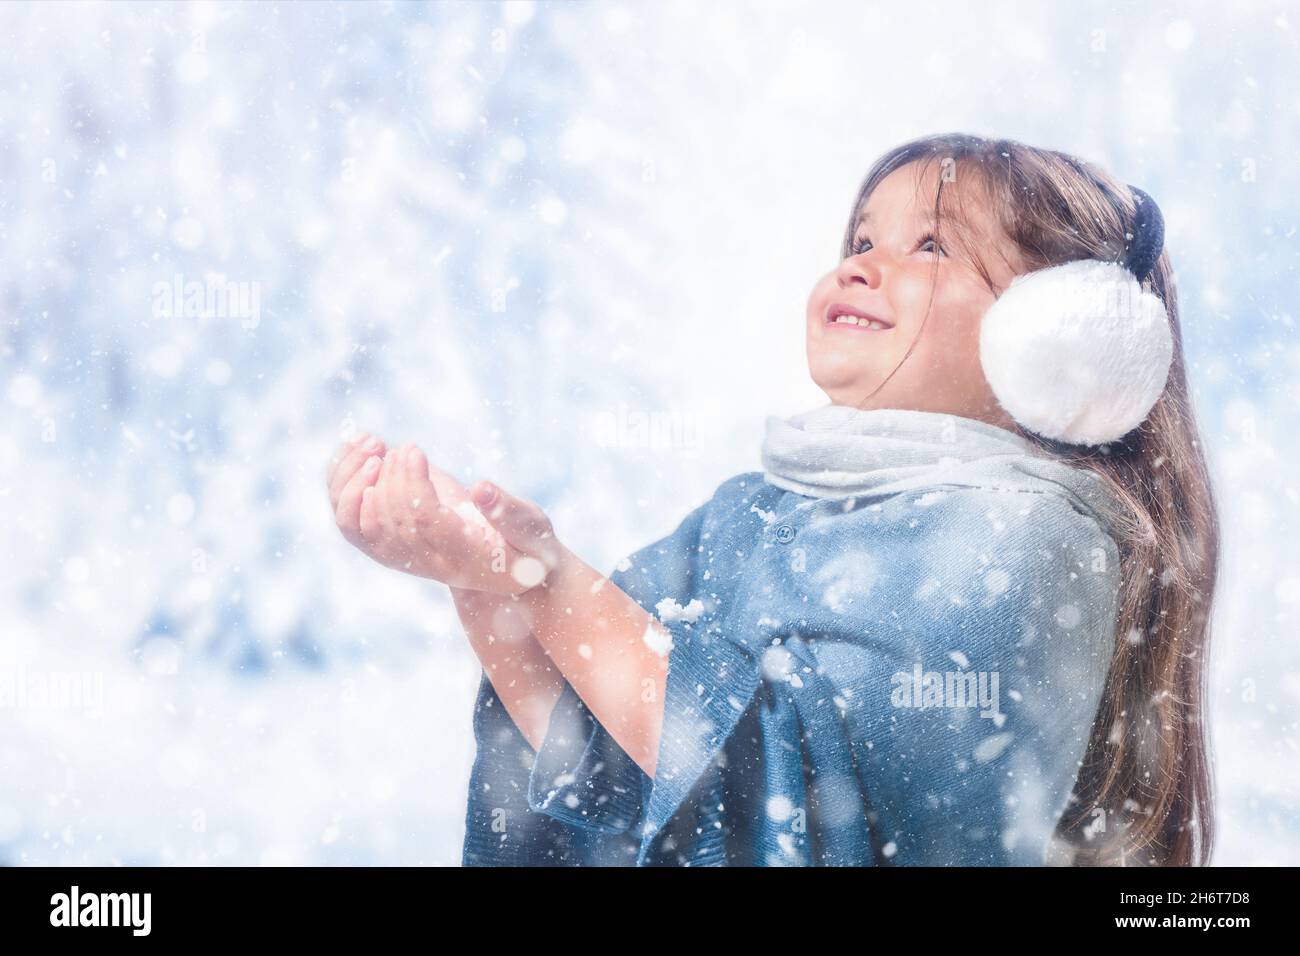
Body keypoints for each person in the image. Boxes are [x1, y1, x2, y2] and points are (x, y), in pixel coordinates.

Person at [325, 132, 1219, 866]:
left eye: (931, 245)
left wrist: (544, 577)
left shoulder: (1028, 542)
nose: (864, 266)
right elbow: (601, 772)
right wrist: (487, 581)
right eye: (861, 240)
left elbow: (789, 799)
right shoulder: (748, 512)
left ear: (1060, 340)